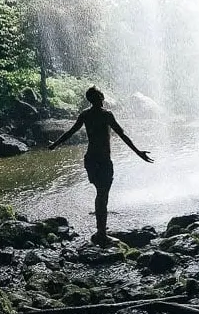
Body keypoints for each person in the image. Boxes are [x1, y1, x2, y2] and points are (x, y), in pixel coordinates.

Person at [48, 86, 153, 244]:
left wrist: (55, 144)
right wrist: (138, 152)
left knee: (100, 193)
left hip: (90, 159)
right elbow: (122, 135)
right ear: (101, 98)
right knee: (103, 195)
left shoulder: (85, 115)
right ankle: (101, 233)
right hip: (103, 161)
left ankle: (101, 230)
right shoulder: (106, 115)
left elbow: (71, 132)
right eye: (101, 96)